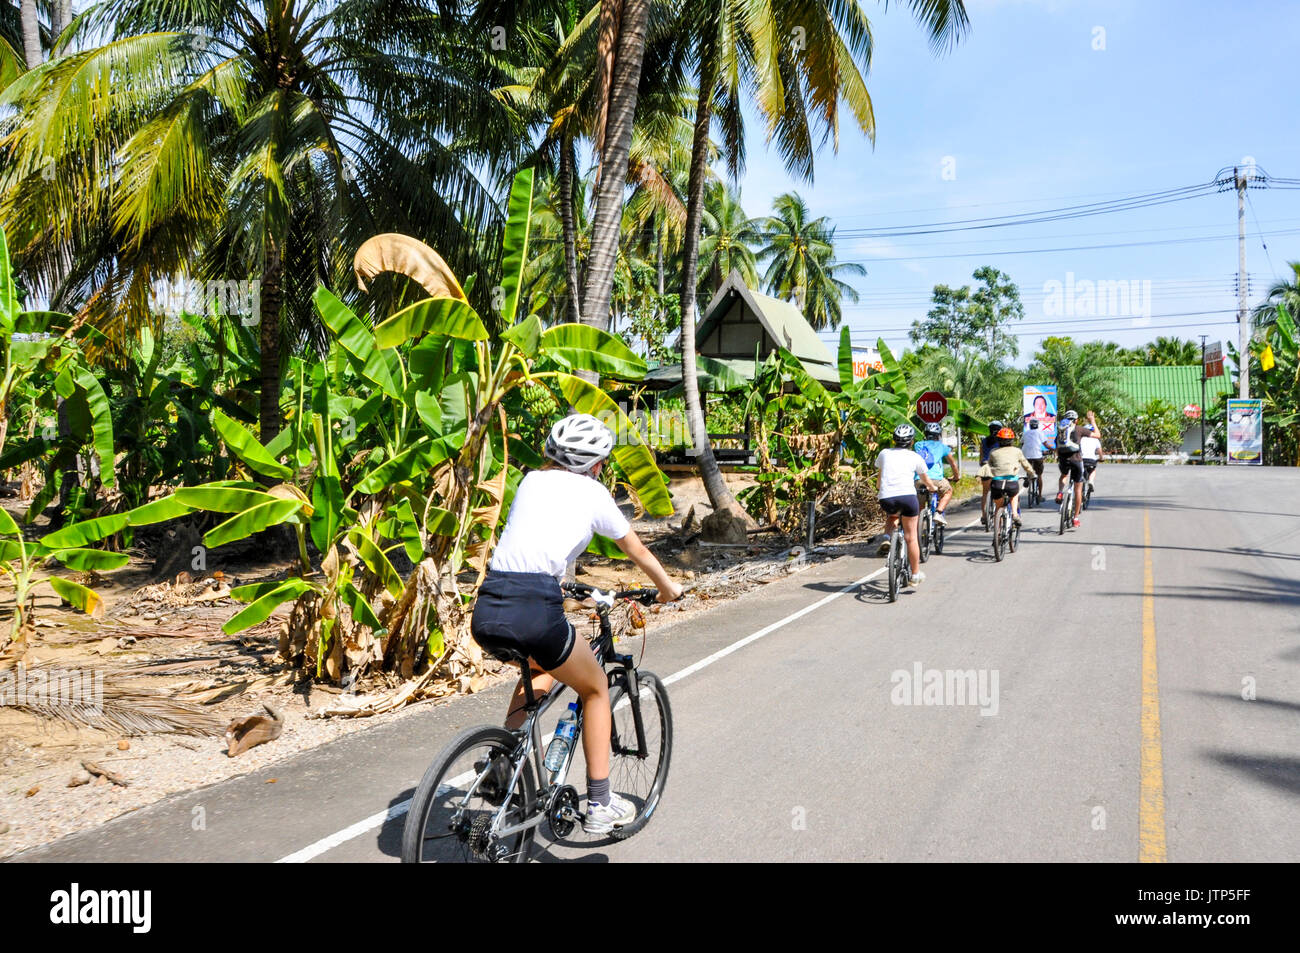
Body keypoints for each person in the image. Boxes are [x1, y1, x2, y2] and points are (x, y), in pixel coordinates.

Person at [470, 413, 683, 834]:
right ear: (597, 464)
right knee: (595, 687)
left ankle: (502, 759)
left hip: (490, 605)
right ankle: (600, 804)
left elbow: (538, 544)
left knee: (537, 667)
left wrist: (568, 587)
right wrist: (667, 588)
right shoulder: (593, 492)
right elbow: (635, 549)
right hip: (534, 610)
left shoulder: (531, 481)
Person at [876, 424, 939, 586]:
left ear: (894, 440)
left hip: (887, 498)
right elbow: (925, 480)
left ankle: (887, 538)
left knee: (892, 515)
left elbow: (879, 481)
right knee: (911, 538)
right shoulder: (915, 457)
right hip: (908, 498)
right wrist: (932, 488)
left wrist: (883, 489)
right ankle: (915, 574)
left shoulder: (884, 454)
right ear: (911, 442)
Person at [988, 427, 1036, 526]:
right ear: (1011, 440)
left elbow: (990, 465)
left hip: (997, 483)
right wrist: (1032, 474)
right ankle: (1014, 514)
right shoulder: (1017, 451)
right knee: (1014, 495)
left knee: (998, 506)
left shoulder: (993, 452)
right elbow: (1026, 465)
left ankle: (997, 534)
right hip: (1011, 483)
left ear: (998, 440)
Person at [914, 422, 958, 525]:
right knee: (948, 491)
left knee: (920, 503)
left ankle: (919, 528)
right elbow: (953, 464)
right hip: (936, 480)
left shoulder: (918, 445)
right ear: (938, 435)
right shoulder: (942, 447)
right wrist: (956, 477)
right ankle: (938, 512)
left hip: (919, 479)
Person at [1054, 409, 1085, 527]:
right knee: (1078, 488)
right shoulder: (1079, 429)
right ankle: (1076, 518)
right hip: (1077, 460)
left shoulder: (1061, 431)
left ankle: (1060, 492)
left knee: (1064, 475)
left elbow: (1057, 447)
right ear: (1076, 420)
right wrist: (1092, 421)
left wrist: (1060, 457)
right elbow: (1097, 435)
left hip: (1063, 459)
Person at [978, 420, 1004, 528]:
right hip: (997, 468)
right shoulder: (1001, 442)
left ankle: (984, 515)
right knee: (1000, 492)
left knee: (985, 493)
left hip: (986, 467)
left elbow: (981, 455)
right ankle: (999, 516)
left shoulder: (984, 441)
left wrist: (982, 463)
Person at [1021, 417, 1046, 503]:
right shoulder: (1040, 432)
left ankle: (1028, 478)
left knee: (1029, 468)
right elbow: (1045, 443)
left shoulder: (1026, 433)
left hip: (1026, 456)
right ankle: (1040, 496)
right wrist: (1052, 449)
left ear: (1030, 426)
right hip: (1037, 456)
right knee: (1039, 475)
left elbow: (1022, 443)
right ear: (1037, 425)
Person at [1080, 424, 1103, 495]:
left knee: (1079, 472)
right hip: (1091, 459)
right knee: (1092, 470)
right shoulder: (1095, 439)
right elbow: (1099, 451)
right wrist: (1101, 458)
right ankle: (1091, 481)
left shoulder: (1080, 438)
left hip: (1080, 459)